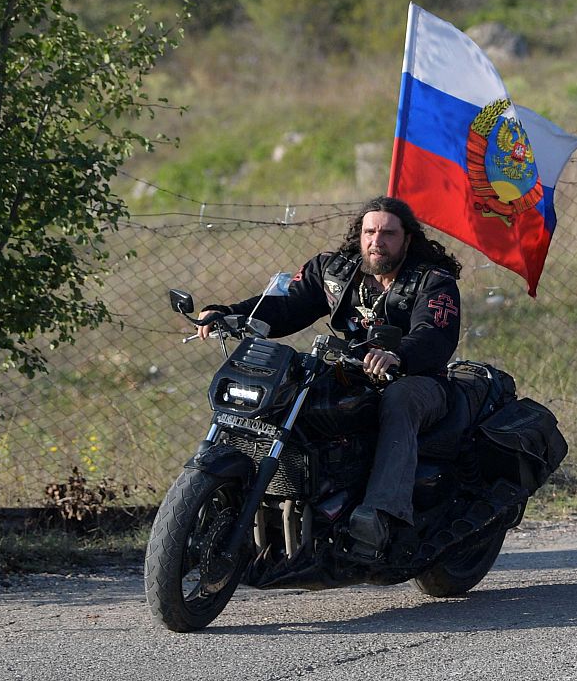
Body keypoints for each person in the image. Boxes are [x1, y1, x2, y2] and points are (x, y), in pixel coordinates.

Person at [194, 196, 464, 560]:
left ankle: (381, 512)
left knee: (398, 401)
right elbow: (287, 305)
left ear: (407, 239)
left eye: (388, 233)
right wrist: (229, 313)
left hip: (418, 378)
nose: (377, 241)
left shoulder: (432, 281)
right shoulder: (336, 271)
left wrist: (397, 354)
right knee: (293, 391)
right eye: (370, 232)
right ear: (359, 235)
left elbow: (434, 334)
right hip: (351, 369)